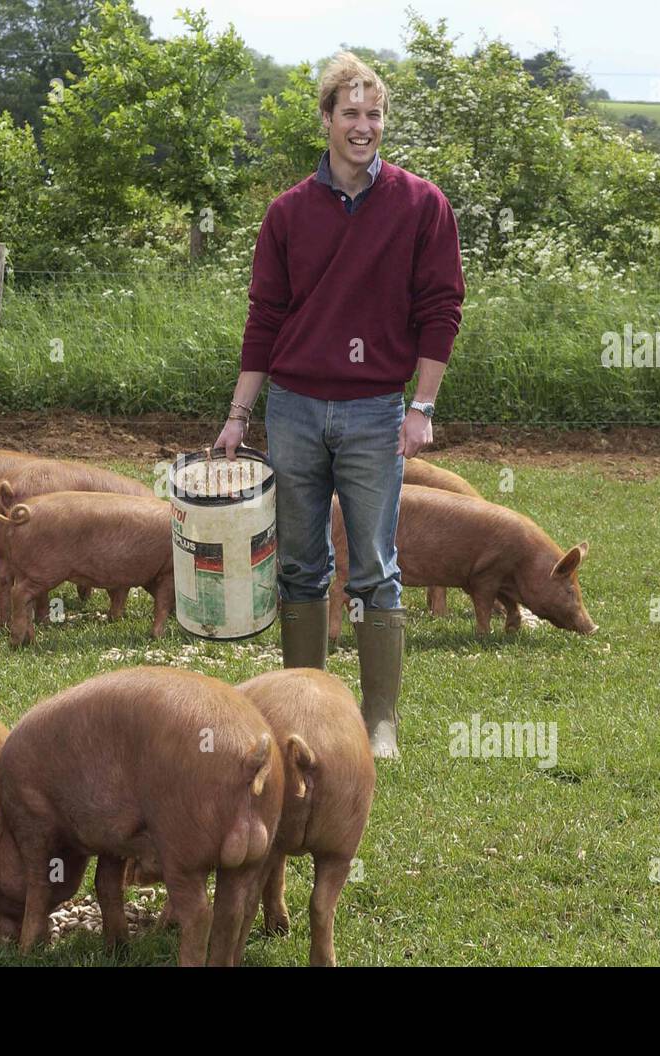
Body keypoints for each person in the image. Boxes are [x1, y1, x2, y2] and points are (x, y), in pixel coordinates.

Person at [214, 51, 465, 759]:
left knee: (375, 567)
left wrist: (422, 405)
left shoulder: (422, 205)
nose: (364, 126)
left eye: (374, 114)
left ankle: (379, 719)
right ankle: (305, 708)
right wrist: (239, 416)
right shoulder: (289, 213)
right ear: (325, 120)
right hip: (293, 408)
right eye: (351, 113)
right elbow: (264, 316)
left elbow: (442, 308)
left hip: (376, 414)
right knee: (298, 564)